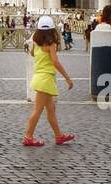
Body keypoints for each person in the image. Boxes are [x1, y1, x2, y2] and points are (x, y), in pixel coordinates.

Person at [23, 16, 74, 147]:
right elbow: (55, 62)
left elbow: (33, 54)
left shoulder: (35, 41)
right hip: (45, 80)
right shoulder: (50, 45)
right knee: (37, 110)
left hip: (40, 77)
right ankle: (28, 137)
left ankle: (59, 136)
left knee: (51, 110)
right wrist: (67, 78)